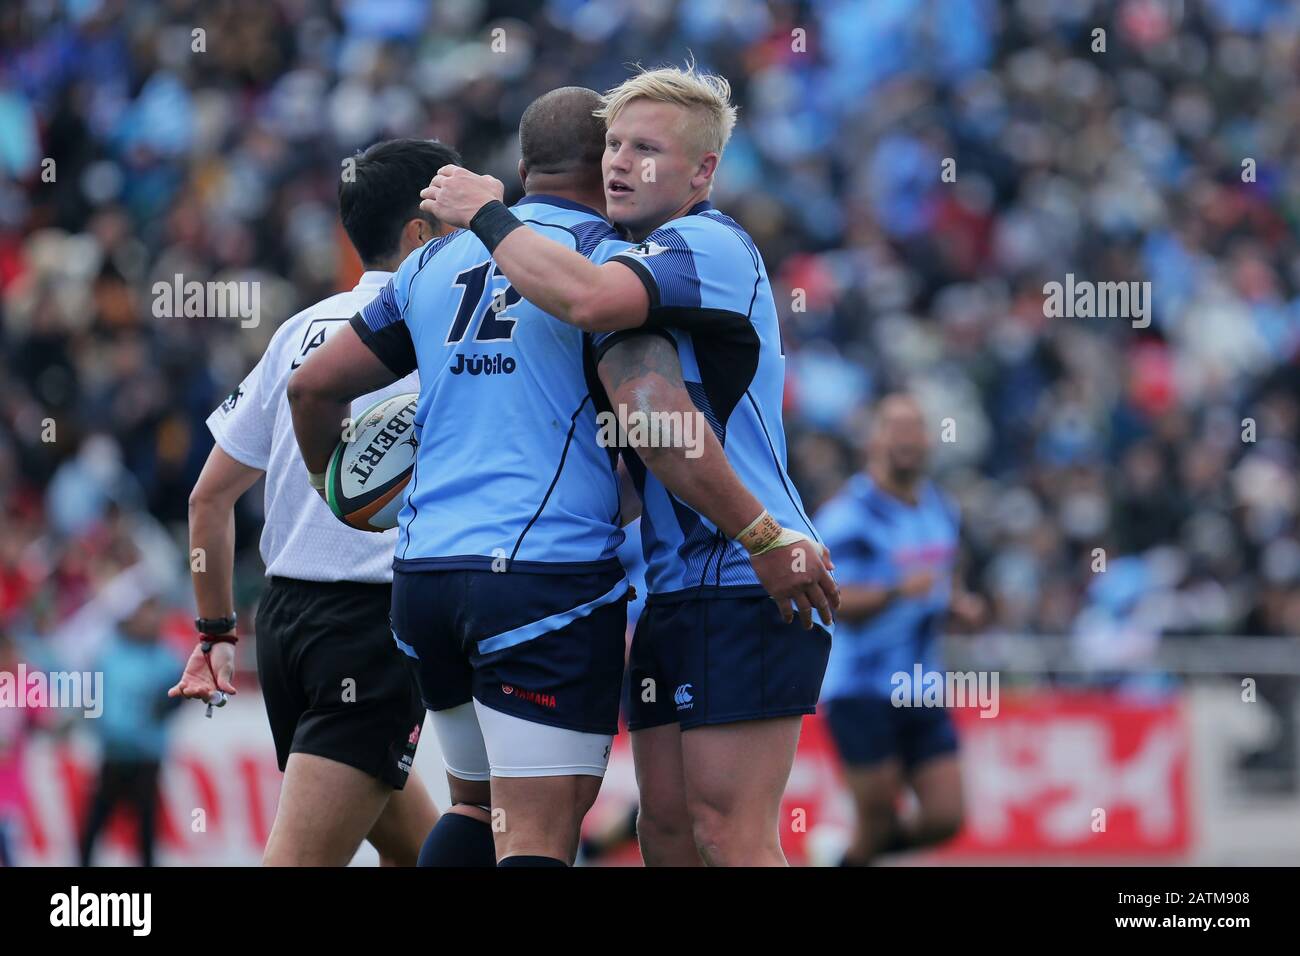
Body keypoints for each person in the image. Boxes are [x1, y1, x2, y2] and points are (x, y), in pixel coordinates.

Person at [424, 62, 838, 866]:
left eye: (646, 149)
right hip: (676, 583)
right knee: (668, 837)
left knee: (729, 833)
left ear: (703, 171)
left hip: (744, 571)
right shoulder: (636, 252)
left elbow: (588, 303)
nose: (619, 162)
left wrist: (488, 216)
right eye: (613, 144)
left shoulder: (706, 244)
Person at [169, 138, 457, 866]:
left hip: (286, 625)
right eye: (461, 216)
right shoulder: (444, 334)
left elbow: (209, 499)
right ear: (421, 234)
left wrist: (215, 633)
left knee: (423, 853)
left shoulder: (300, 330)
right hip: (371, 625)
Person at [814, 393, 986, 865]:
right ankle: (850, 854)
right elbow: (835, 598)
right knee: (877, 814)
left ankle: (840, 858)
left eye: (915, 428)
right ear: (874, 439)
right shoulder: (849, 516)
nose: (907, 438)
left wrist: (960, 605)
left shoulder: (940, 509)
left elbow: (941, 583)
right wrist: (895, 591)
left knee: (947, 816)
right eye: (895, 427)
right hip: (859, 686)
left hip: (921, 684)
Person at [81, 597, 183, 866]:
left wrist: (167, 706)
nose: (151, 621)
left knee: (146, 831)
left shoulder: (167, 657)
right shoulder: (109, 654)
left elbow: (181, 694)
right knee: (93, 826)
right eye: (146, 615)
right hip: (114, 752)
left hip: (146, 754)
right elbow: (92, 696)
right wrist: (99, 726)